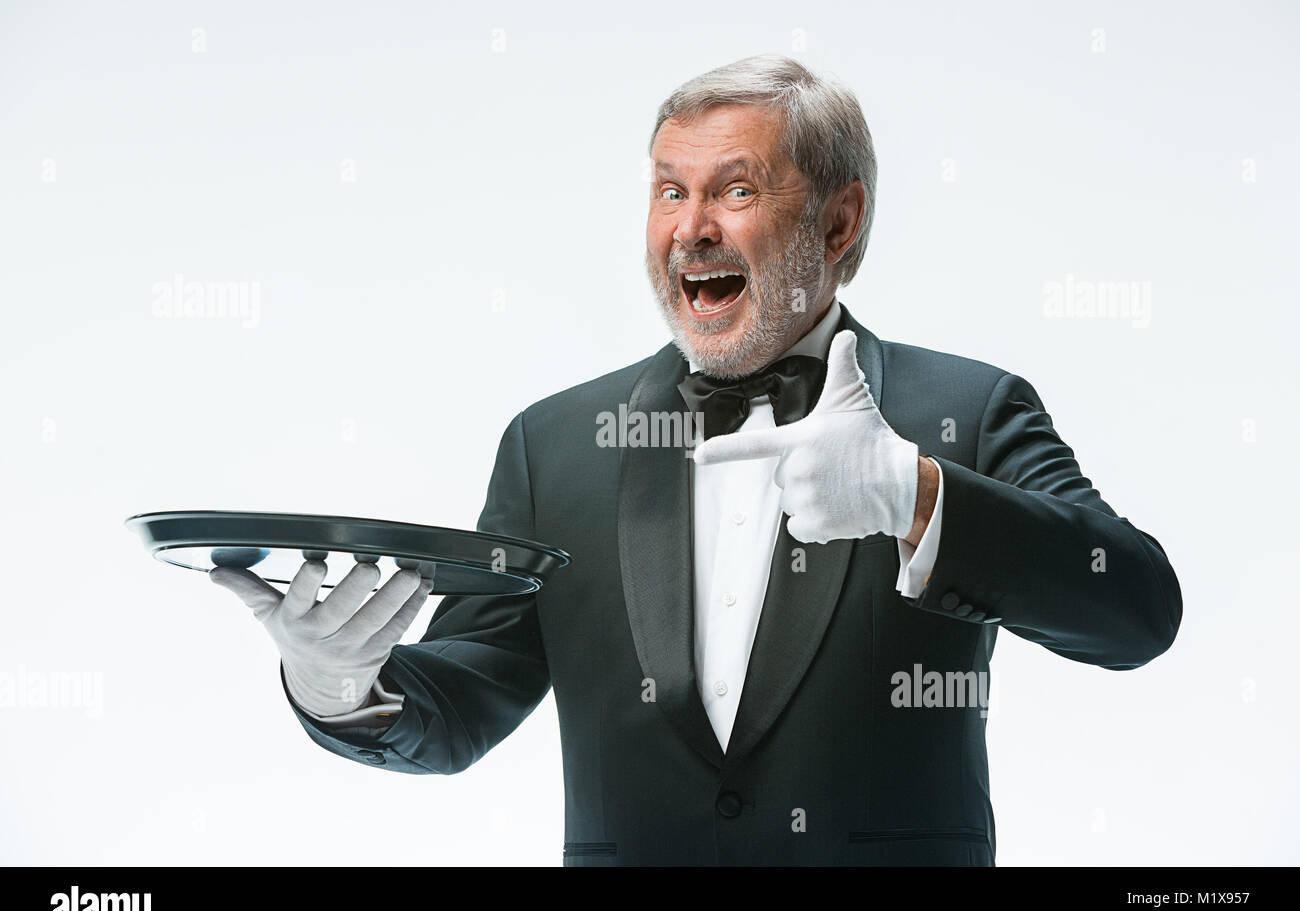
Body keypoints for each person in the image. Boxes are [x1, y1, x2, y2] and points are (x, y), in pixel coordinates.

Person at [211, 54, 1182, 866]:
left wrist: (916, 493)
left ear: (837, 225)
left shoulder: (962, 410)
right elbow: (463, 701)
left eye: (736, 190)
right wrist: (340, 682)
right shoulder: (553, 446)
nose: (689, 227)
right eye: (669, 190)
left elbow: (1134, 608)